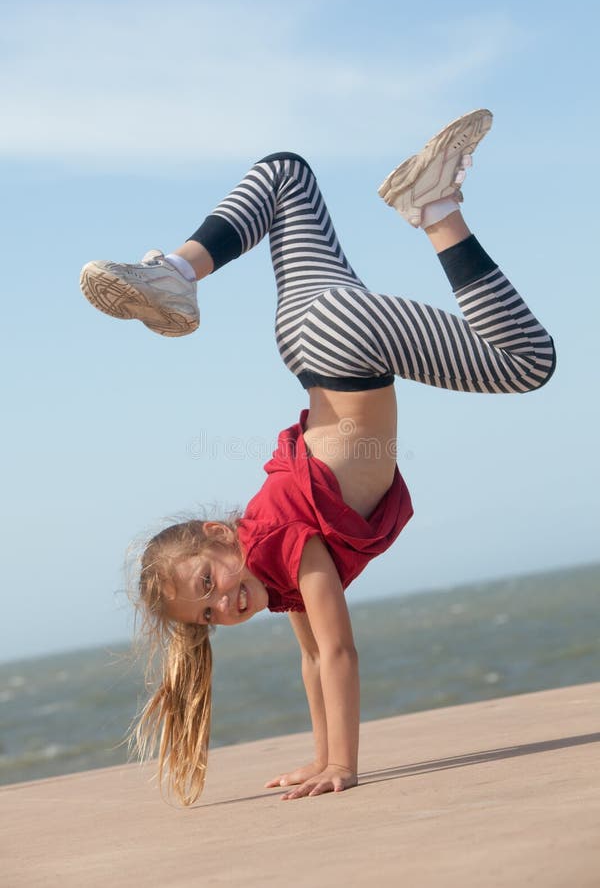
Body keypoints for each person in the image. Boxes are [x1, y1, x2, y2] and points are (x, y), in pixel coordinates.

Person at [80, 110, 556, 805]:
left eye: (208, 582)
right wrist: (320, 757)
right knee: (285, 174)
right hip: (309, 333)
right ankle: (180, 270)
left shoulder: (278, 542)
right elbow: (310, 658)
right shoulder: (272, 567)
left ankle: (435, 210)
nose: (225, 603)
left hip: (345, 345)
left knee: (526, 362)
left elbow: (338, 652)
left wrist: (347, 767)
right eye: (210, 614)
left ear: (219, 535)